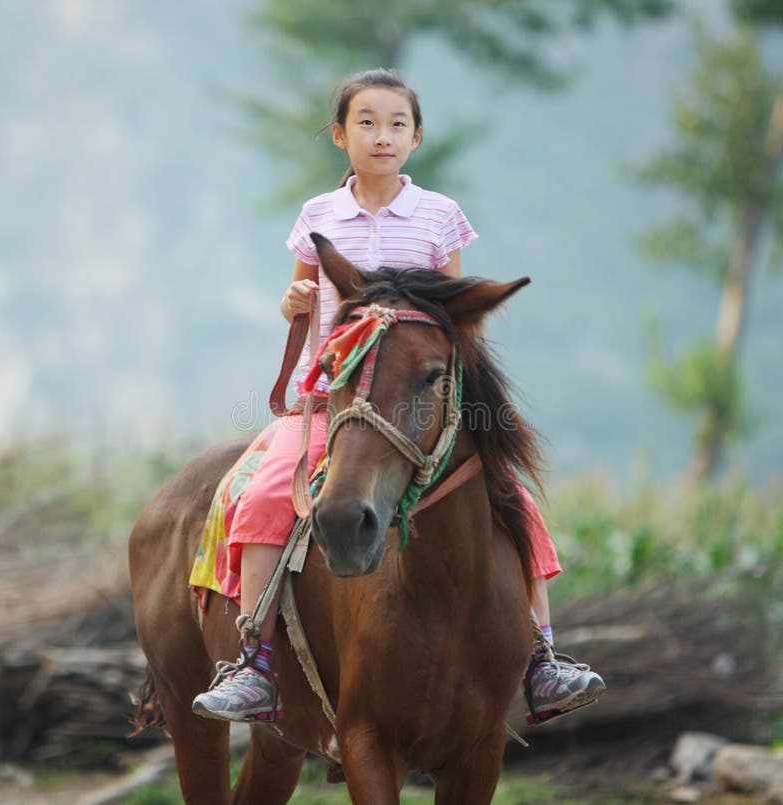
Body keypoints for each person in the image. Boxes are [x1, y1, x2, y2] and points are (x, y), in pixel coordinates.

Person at [192, 68, 605, 725]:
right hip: (335, 394)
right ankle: (255, 661)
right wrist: (294, 300)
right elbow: (299, 296)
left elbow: (452, 319)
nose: (381, 136)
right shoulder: (318, 216)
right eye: (366, 122)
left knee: (511, 493)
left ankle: (541, 655)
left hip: (417, 397)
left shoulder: (440, 216)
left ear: (416, 137)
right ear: (339, 134)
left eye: (396, 124)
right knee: (269, 489)